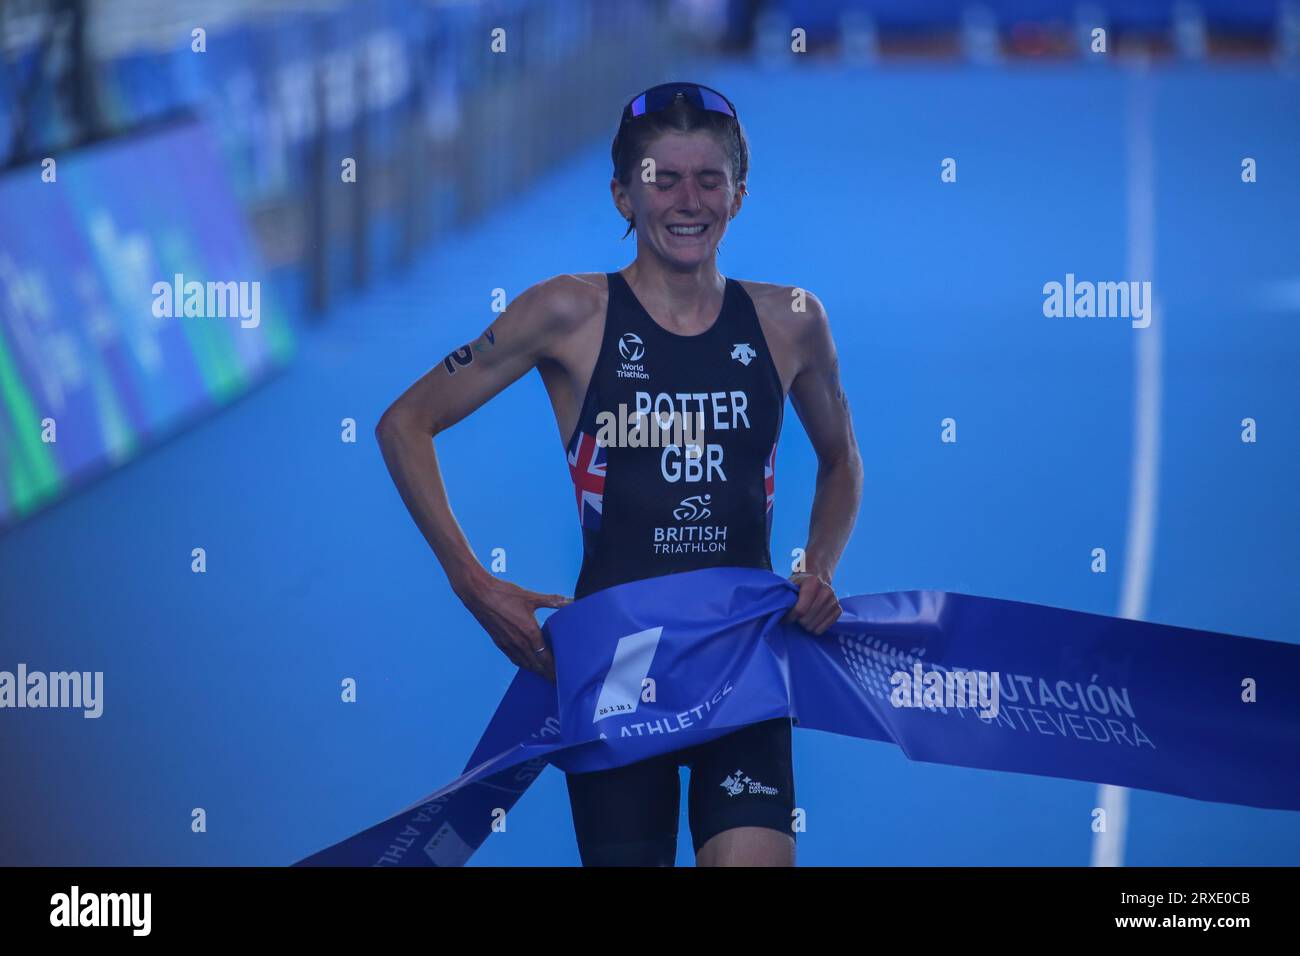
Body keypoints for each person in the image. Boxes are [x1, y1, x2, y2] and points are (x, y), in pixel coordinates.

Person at [375, 81, 862, 866]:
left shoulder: (792, 321)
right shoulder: (567, 313)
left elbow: (840, 462)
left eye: (709, 179)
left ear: (739, 194)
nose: (687, 200)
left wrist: (820, 565)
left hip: (743, 653)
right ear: (622, 194)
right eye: (661, 178)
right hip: (616, 665)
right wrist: (475, 584)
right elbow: (404, 424)